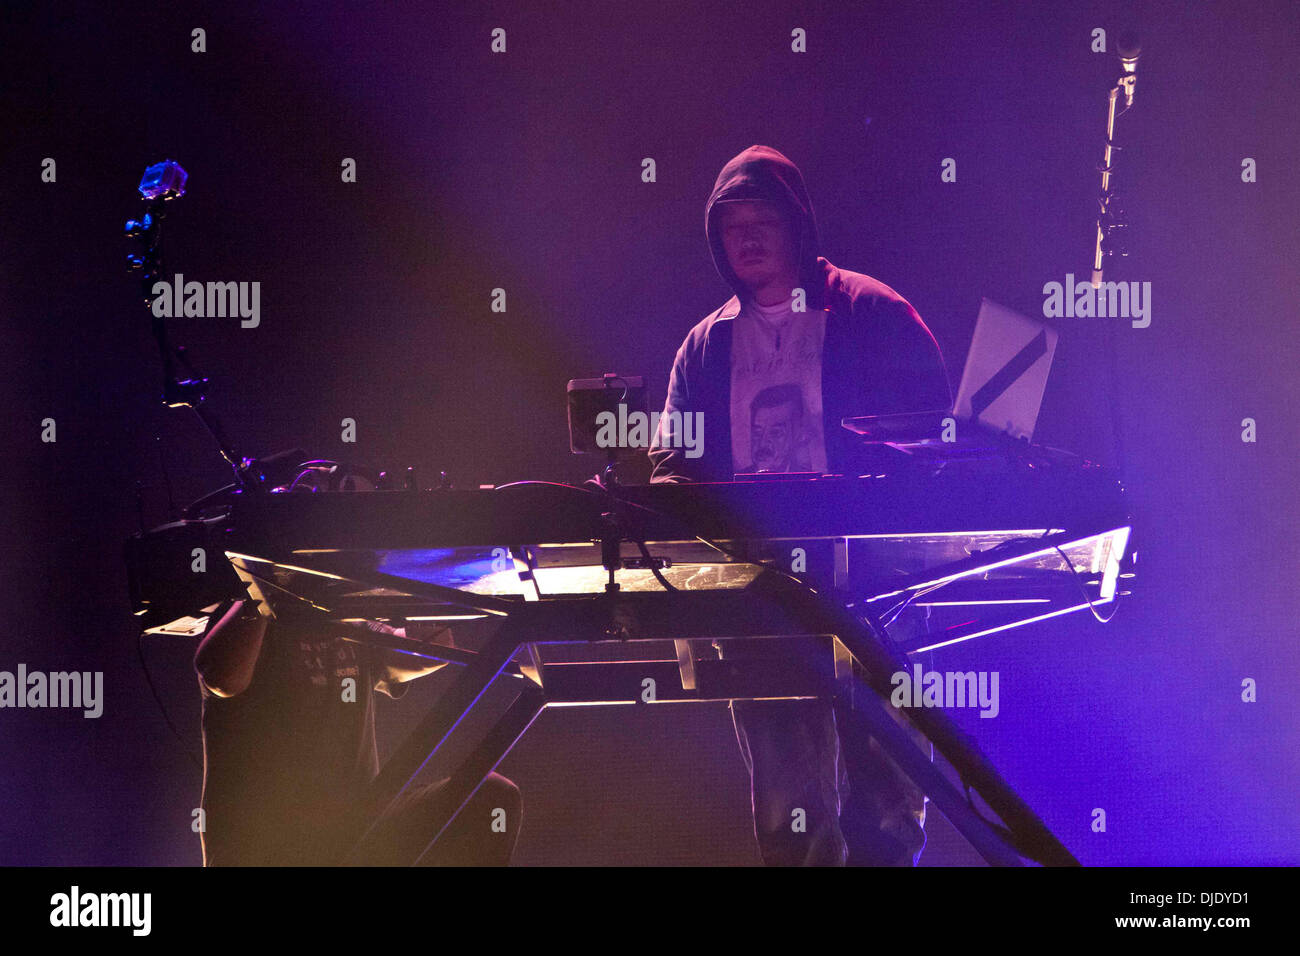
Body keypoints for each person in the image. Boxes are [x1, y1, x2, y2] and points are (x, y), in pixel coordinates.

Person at [649, 145, 950, 865]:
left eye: (763, 220)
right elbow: (668, 465)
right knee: (791, 816)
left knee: (889, 803)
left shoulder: (873, 312)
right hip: (764, 603)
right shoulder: (705, 346)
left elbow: (933, 441)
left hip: (879, 591)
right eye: (732, 226)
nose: (747, 237)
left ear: (799, 225)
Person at [194, 587, 521, 867]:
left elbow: (433, 649)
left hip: (353, 833)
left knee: (493, 796)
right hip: (265, 848)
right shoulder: (246, 616)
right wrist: (264, 587)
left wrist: (413, 576)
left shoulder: (349, 619)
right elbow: (222, 676)